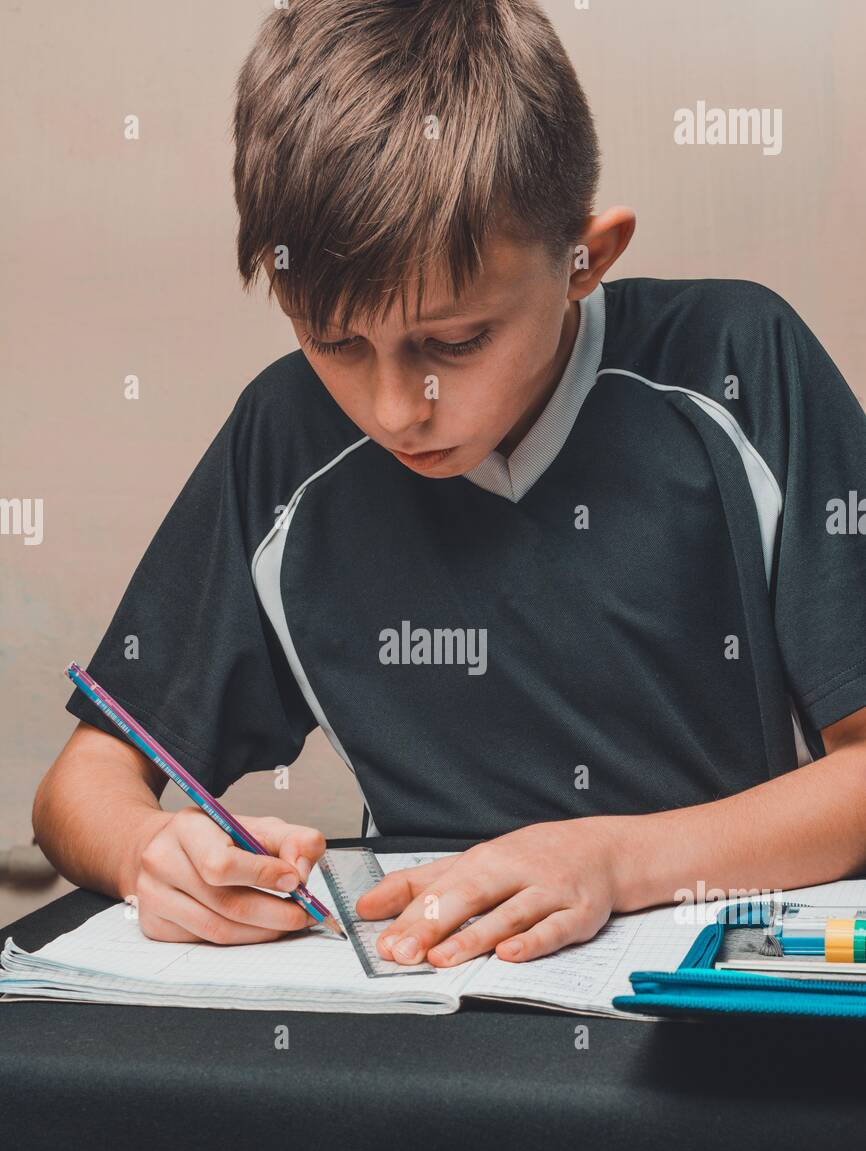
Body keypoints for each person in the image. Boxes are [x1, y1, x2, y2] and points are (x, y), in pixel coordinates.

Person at [34, 0, 866, 969]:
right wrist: (150, 853)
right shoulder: (284, 436)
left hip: (699, 1020)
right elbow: (76, 788)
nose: (393, 409)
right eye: (336, 343)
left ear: (582, 260)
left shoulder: (737, 368)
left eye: (453, 342)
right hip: (421, 1032)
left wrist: (613, 860)